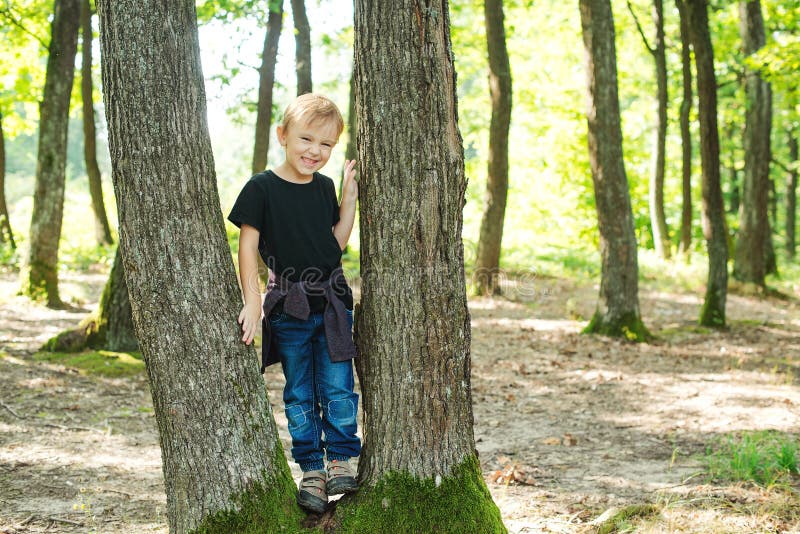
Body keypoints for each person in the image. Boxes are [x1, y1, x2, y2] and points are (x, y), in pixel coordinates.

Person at [228, 93, 360, 514]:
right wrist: (253, 303)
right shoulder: (261, 188)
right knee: (299, 390)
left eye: (326, 145)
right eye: (306, 139)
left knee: (339, 384)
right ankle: (312, 470)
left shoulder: (324, 187)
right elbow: (247, 249)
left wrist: (349, 198)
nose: (314, 151)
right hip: (288, 306)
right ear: (283, 135)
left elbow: (334, 244)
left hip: (333, 301)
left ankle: (341, 458)